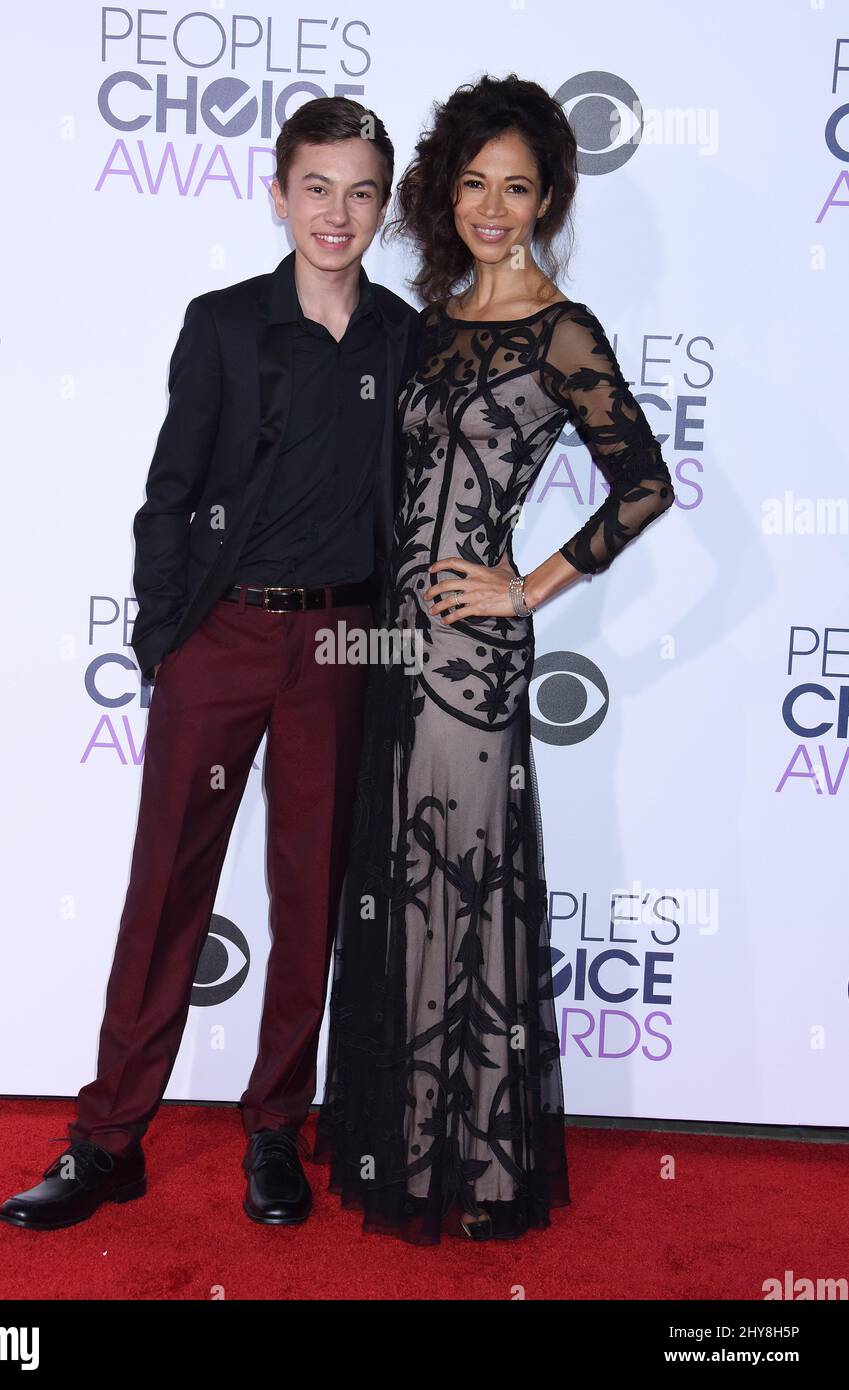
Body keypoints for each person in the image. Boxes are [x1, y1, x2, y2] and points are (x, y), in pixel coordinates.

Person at [0, 96, 419, 1231]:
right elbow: (168, 494)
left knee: (311, 897)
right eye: (317, 187)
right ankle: (106, 1142)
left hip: (342, 644)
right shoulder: (224, 323)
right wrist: (162, 637)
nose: (337, 212)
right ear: (279, 193)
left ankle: (276, 1129)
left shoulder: (400, 337)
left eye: (361, 190)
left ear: (384, 206)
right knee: (166, 888)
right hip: (222, 639)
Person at [314, 74, 676, 1243]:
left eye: (517, 187)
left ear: (549, 199)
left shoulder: (564, 331)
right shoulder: (428, 322)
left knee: (465, 896)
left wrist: (526, 584)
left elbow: (646, 485)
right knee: (401, 896)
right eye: (475, 182)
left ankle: (474, 1167)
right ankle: (405, 1145)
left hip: (473, 659)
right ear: (447, 190)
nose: (492, 205)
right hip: (389, 647)